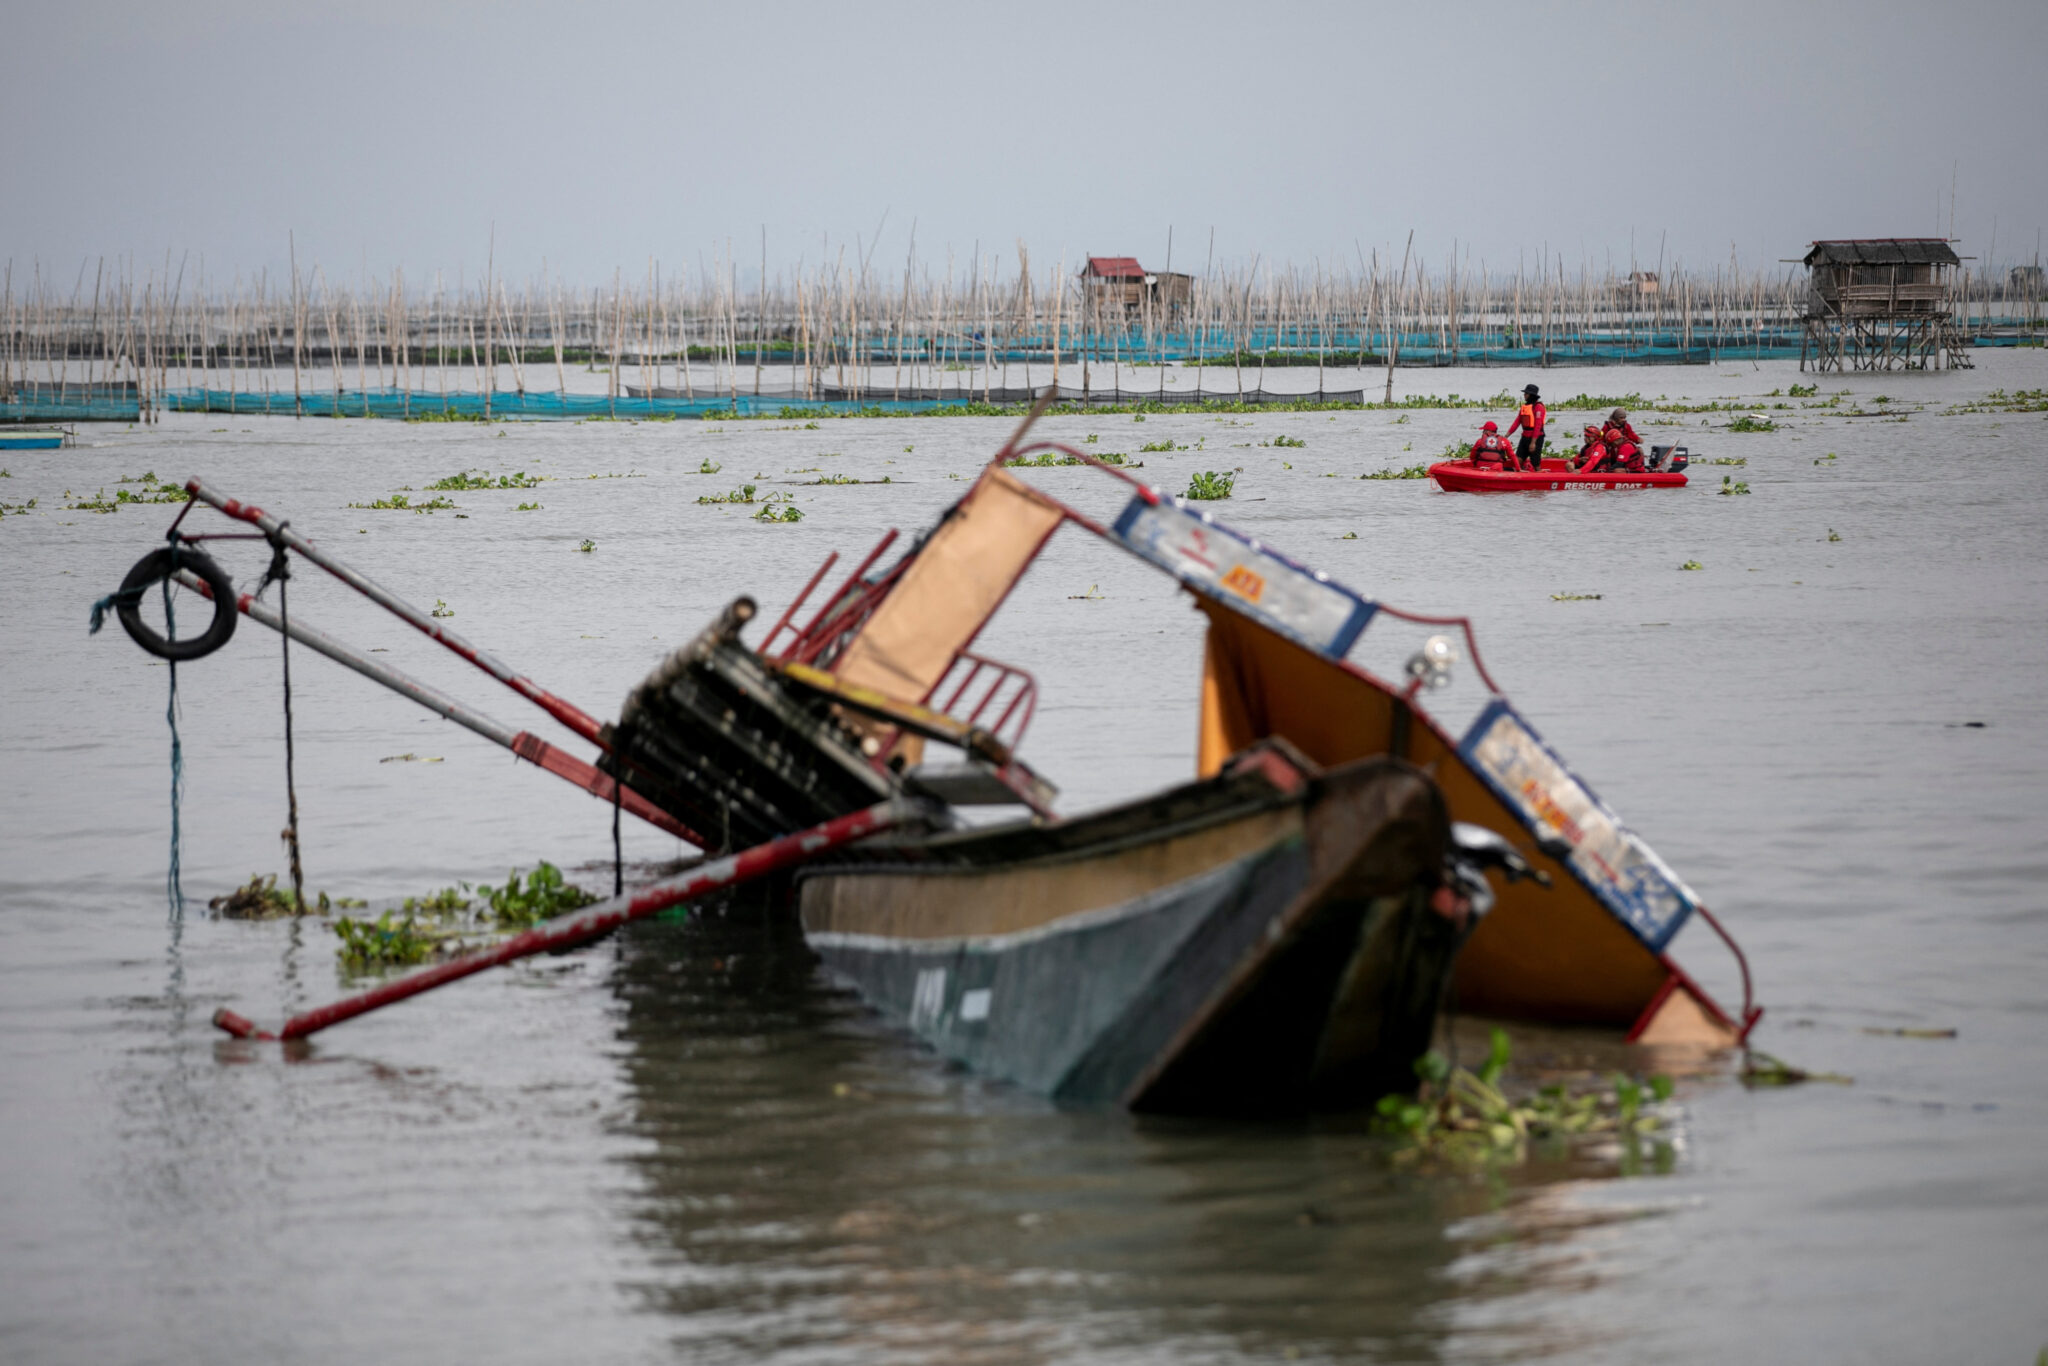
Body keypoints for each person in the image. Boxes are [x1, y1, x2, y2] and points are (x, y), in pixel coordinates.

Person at [1507, 384, 1547, 469]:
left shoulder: (1538, 407)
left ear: (1531, 395)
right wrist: (1506, 436)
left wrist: (1533, 443)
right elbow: (1516, 423)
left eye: (1526, 394)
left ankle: (1538, 475)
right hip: (1525, 437)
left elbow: (1538, 426)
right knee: (1517, 462)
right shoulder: (1524, 407)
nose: (1524, 395)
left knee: (1535, 463)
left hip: (1536, 438)